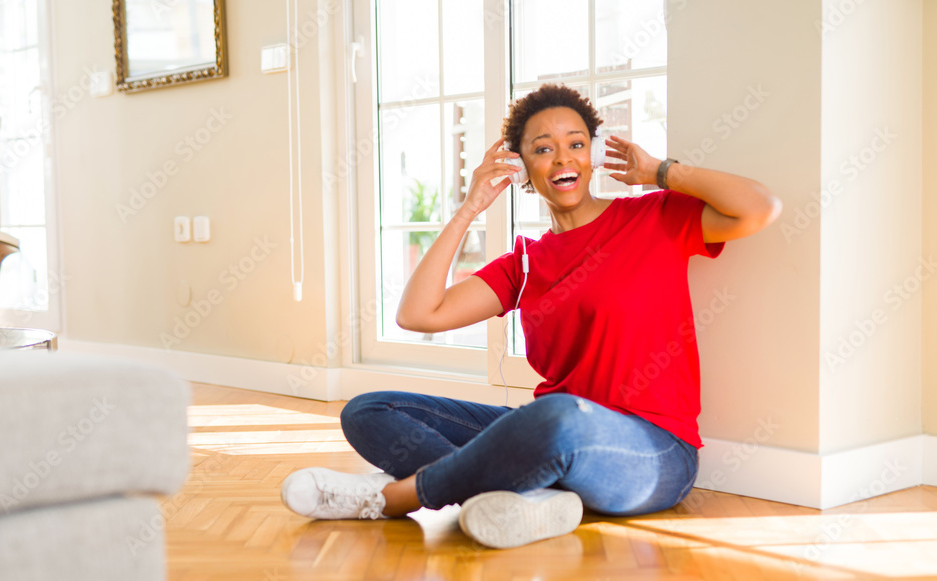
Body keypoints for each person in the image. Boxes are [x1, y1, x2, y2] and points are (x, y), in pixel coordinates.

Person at [281, 83, 782, 549]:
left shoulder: (653, 217)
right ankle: (527, 496)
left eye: (576, 144)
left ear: (591, 154)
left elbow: (760, 208)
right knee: (368, 411)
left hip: (651, 454)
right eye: (543, 148)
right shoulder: (523, 264)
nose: (563, 158)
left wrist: (661, 172)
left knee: (558, 416)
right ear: (521, 167)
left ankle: (395, 498)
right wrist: (469, 207)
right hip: (542, 431)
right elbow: (418, 314)